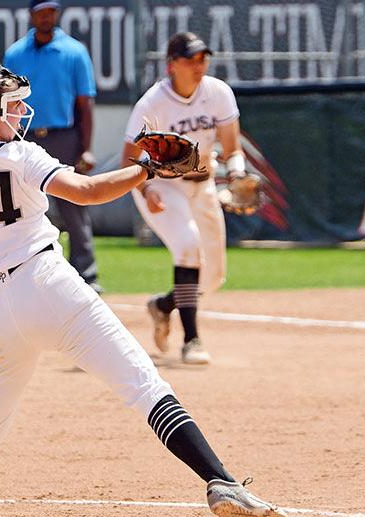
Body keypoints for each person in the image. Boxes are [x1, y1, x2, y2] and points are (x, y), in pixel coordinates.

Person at [0, 3, 288, 517]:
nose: (23, 114)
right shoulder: (21, 156)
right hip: (48, 286)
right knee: (145, 386)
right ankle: (220, 482)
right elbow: (90, 192)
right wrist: (145, 169)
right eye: (13, 107)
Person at [119, 32, 246, 366]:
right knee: (188, 246)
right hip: (164, 186)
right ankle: (191, 339)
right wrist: (146, 190)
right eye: (190, 59)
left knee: (213, 276)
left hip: (204, 184)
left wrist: (236, 173)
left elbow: (232, 147)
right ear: (171, 65)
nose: (198, 65)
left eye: (202, 58)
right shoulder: (152, 104)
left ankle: (163, 306)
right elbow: (127, 159)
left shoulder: (217, 93)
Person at [3, 0, 101, 292]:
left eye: (51, 12)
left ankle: (87, 276)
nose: (47, 17)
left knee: (73, 204)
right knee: (21, 206)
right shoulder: (15, 53)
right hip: (24, 135)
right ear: (31, 15)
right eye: (41, 12)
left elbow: (85, 103)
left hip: (64, 136)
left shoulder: (74, 52)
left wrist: (86, 147)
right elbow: (4, 100)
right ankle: (21, 274)